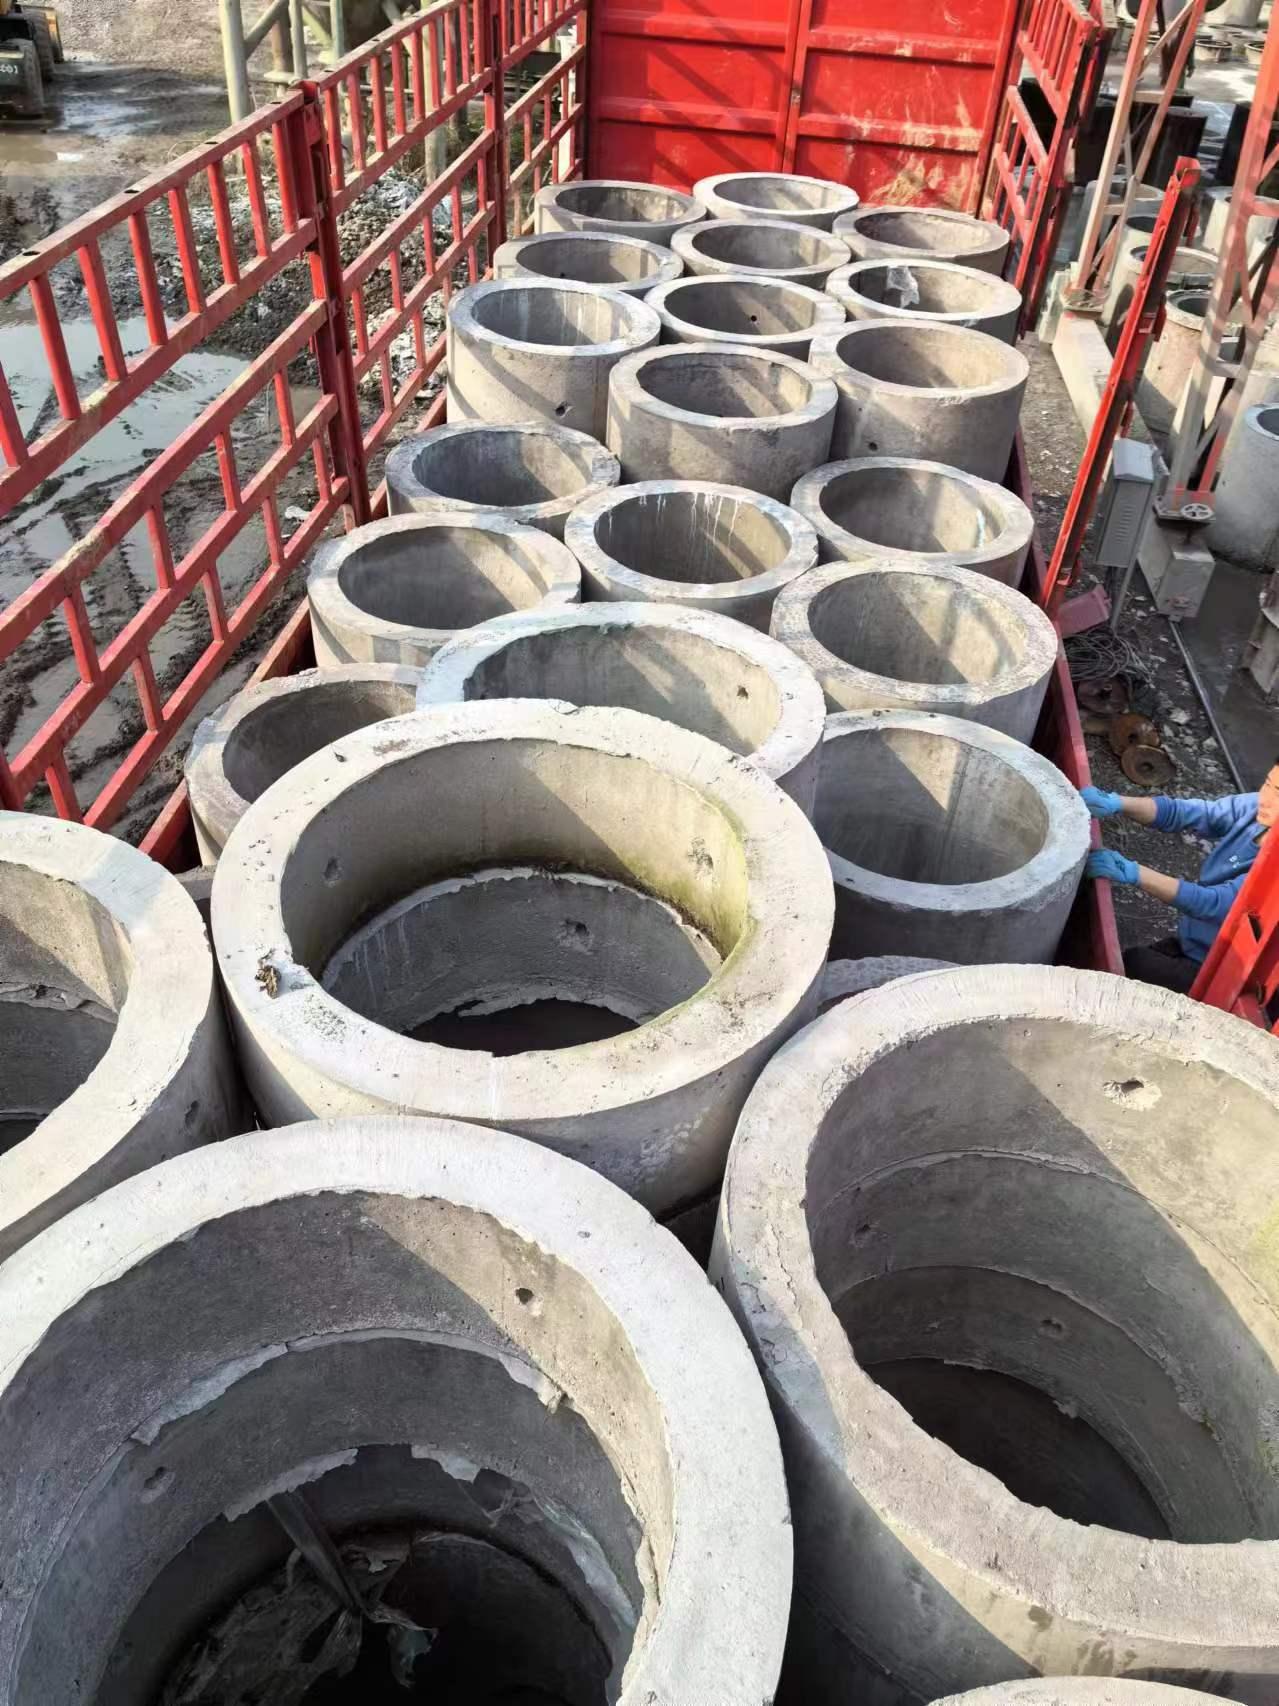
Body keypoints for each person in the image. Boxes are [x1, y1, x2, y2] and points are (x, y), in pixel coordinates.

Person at [1081, 760, 1279, 993]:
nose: (1265, 799)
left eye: (1278, 793)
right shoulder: (1256, 810)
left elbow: (1214, 904)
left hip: (1222, 974)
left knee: (1133, 967)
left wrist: (1132, 872)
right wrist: (1117, 802)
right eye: (1268, 784)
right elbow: (1193, 813)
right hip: (1194, 944)